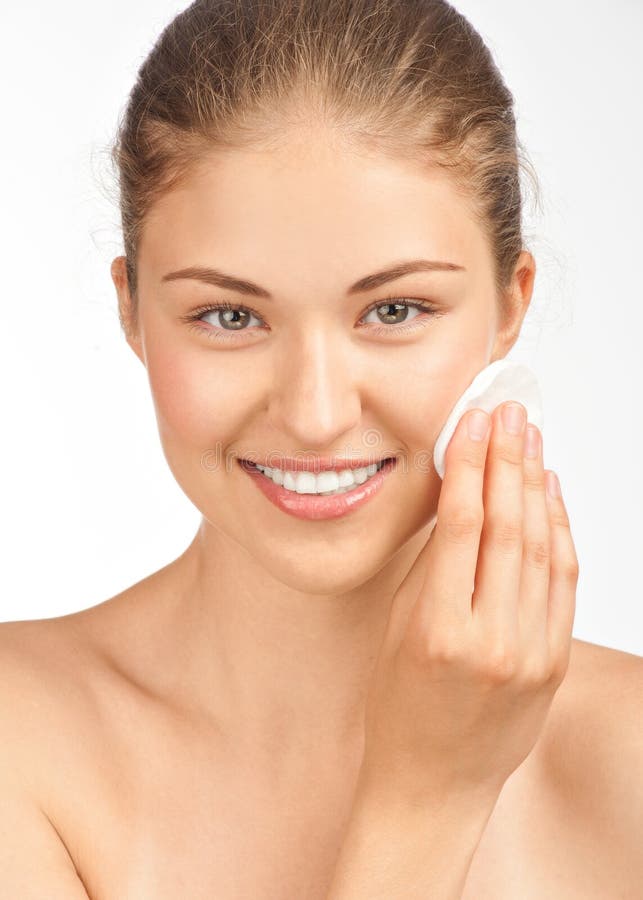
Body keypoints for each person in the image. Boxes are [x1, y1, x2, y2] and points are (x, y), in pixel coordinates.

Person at [1, 1, 641, 897]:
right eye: (230, 316)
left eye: (393, 311)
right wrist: (425, 801)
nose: (312, 414)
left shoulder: (628, 764)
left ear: (509, 304)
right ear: (131, 309)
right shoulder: (18, 744)